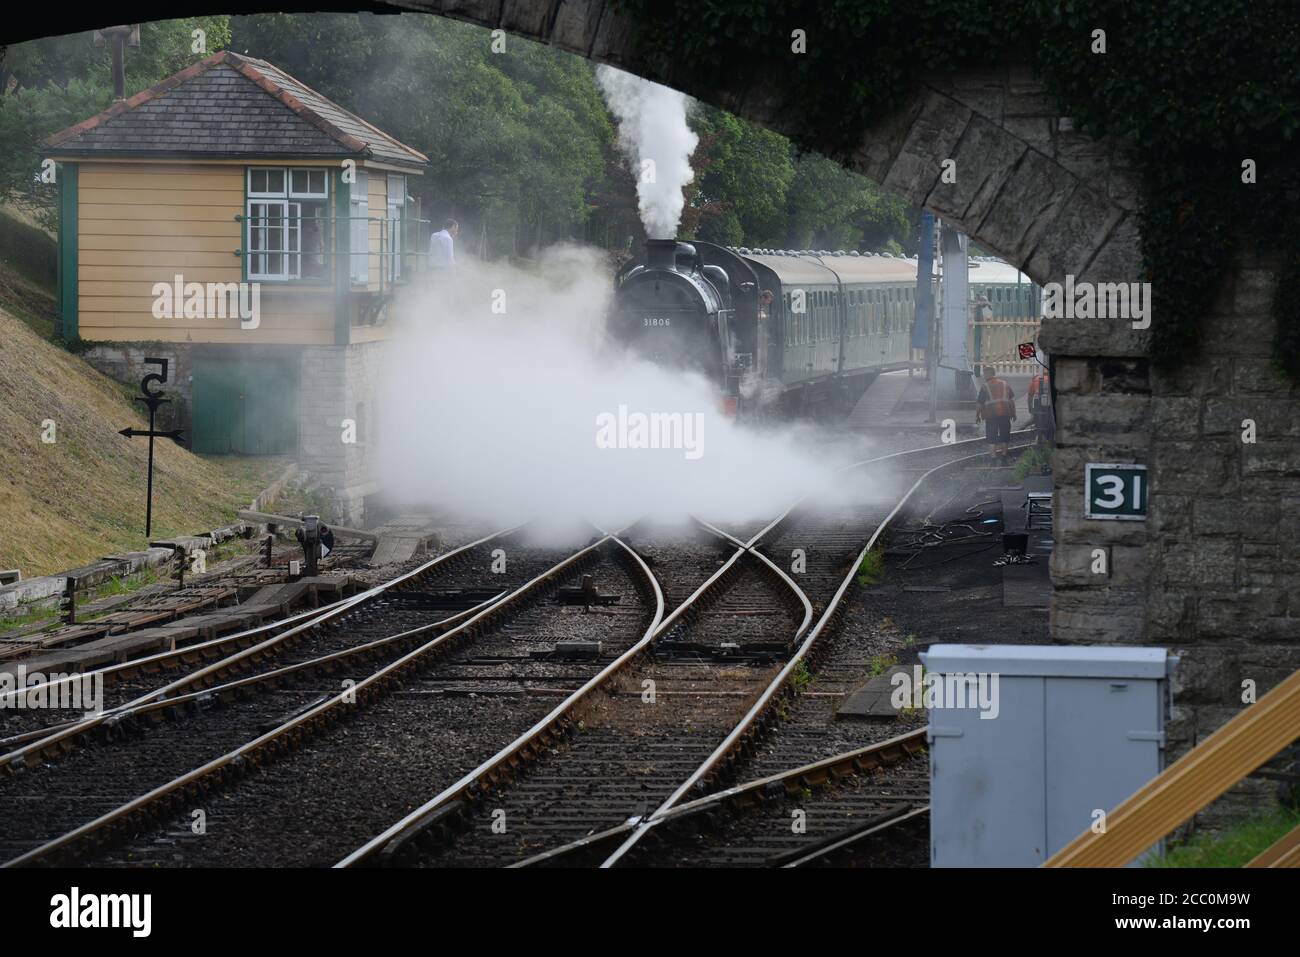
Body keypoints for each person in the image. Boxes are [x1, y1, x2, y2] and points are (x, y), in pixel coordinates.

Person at [975, 365, 1016, 465]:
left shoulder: (985, 386)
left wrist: (977, 415)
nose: (984, 375)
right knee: (1005, 436)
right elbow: (1011, 401)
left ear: (989, 374)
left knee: (991, 437)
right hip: (1005, 414)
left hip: (991, 415)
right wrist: (1013, 413)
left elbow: (980, 404)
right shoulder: (1005, 384)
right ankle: (1004, 458)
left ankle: (993, 459)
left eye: (985, 373)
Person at [1027, 366, 1054, 445]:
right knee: (1050, 422)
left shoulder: (1036, 379)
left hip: (1038, 403)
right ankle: (1049, 439)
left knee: (1038, 422)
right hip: (1050, 404)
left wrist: (1030, 408)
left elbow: (1030, 396)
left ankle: (1039, 438)